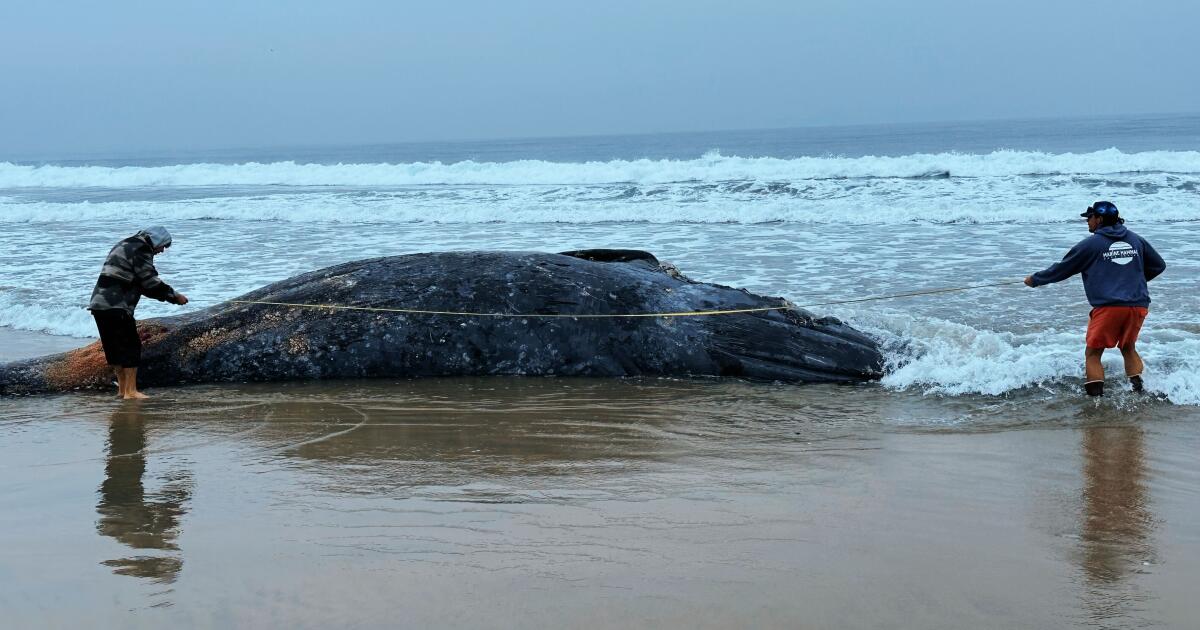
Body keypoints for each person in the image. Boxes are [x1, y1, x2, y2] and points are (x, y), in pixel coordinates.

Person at [1024, 202, 1166, 396]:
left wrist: (1035, 280)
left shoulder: (1091, 244)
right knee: (1128, 348)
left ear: (1099, 219)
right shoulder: (1135, 239)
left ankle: (1095, 402)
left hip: (1109, 308)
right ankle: (1140, 394)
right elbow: (1158, 265)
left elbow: (1063, 268)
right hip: (1138, 305)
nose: (1087, 222)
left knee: (1093, 354)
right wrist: (1130, 281)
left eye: (1089, 217)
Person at [88, 227, 189, 399]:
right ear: (156, 240)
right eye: (163, 246)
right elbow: (150, 282)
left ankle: (122, 390)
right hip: (117, 304)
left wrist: (169, 296)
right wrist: (175, 296)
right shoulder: (141, 248)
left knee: (113, 348)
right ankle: (131, 391)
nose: (162, 250)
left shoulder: (125, 244)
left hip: (99, 303)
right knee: (130, 346)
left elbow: (143, 285)